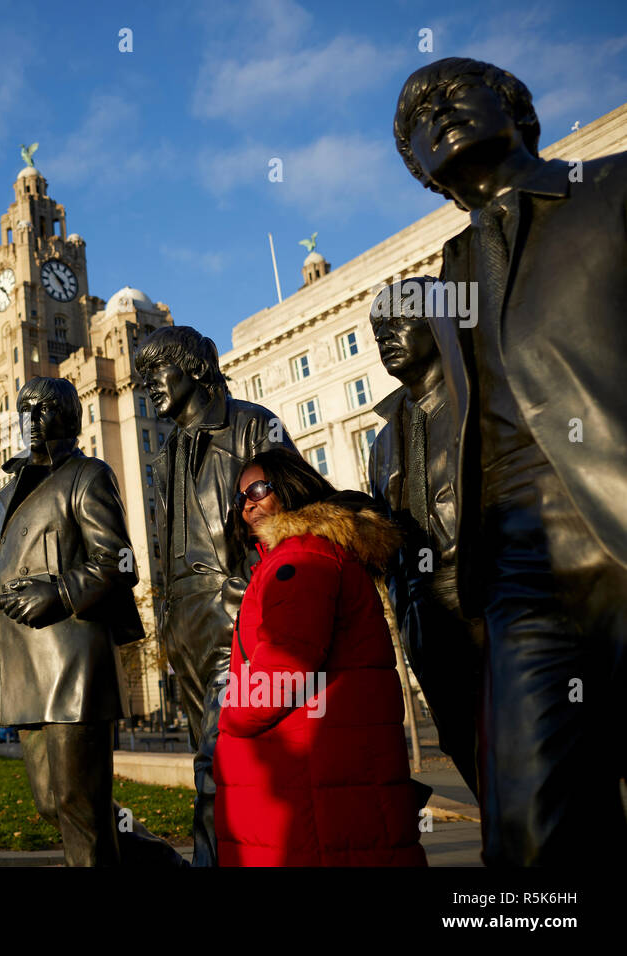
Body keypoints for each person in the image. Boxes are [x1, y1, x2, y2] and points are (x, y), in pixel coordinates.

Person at [395, 57, 627, 864]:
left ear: (516, 105)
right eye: (417, 117)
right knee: (527, 833)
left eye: (455, 92)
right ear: (422, 169)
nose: (438, 112)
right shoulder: (445, 282)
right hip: (519, 571)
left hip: (615, 527)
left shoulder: (608, 188)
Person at [0, 376, 182, 866]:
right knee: (56, 803)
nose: (33, 419)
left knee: (80, 805)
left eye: (47, 409)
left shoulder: (86, 474)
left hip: (72, 661)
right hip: (23, 664)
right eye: (26, 409)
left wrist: (58, 591)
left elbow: (119, 561)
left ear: (70, 418)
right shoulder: (7, 491)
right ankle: (165, 865)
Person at [214, 448, 428, 866]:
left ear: (290, 487)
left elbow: (285, 666)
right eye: (241, 499)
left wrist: (229, 718)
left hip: (309, 768)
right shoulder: (305, 553)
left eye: (258, 489)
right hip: (322, 765)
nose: (248, 505)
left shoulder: (300, 556)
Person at [135, 326, 295, 866]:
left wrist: (251, 590)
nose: (149, 384)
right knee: (219, 766)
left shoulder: (250, 425)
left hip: (236, 616)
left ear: (195, 368)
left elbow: (291, 509)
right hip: (184, 628)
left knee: (215, 767)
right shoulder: (168, 452)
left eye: (158, 369)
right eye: (142, 375)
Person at [367, 278, 483, 798]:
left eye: (398, 321)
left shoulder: (479, 401)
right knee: (469, 749)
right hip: (421, 614)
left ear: (437, 321)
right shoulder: (382, 441)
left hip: (486, 596)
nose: (385, 336)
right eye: (377, 330)